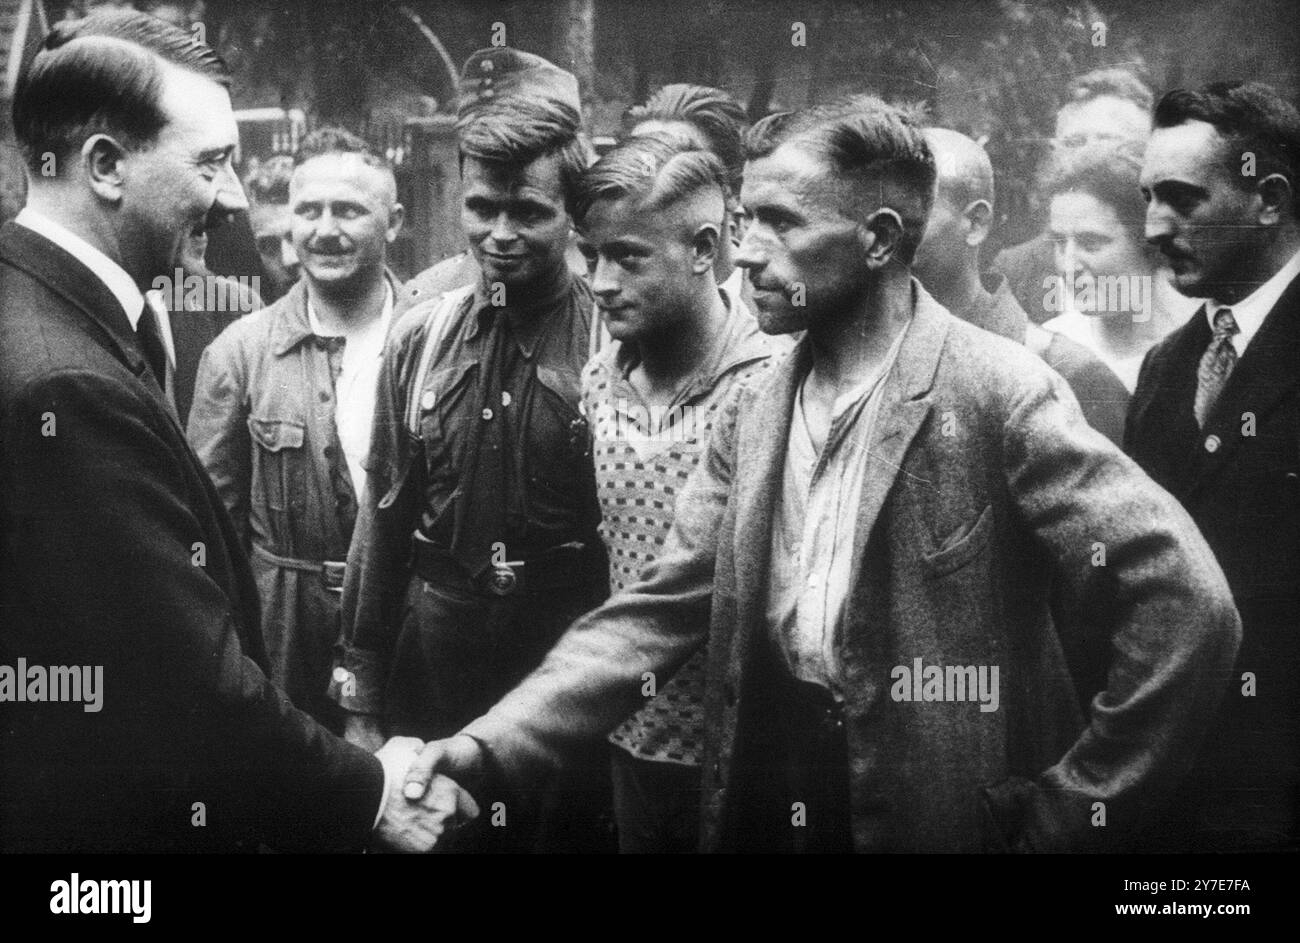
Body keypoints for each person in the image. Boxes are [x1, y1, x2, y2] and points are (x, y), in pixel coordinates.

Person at [405, 97, 1242, 853]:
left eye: (780, 224)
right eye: (745, 220)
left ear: (879, 239)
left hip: (946, 811)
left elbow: (1187, 606)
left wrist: (1077, 807)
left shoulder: (998, 391)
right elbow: (656, 612)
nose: (745, 256)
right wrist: (486, 744)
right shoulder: (759, 404)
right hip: (781, 797)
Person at [0, 10, 456, 854]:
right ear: (105, 165)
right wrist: (372, 789)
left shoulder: (43, 303)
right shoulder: (67, 378)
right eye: (210, 163)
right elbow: (181, 680)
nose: (236, 199)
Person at [332, 47, 612, 853]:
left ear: (573, 214)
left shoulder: (610, 338)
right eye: (482, 207)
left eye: (529, 213)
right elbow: (381, 522)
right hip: (438, 660)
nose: (500, 233)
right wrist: (361, 697)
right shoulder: (421, 333)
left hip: (563, 667)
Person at [574, 133, 789, 852]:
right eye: (591, 255)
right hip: (630, 732)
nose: (602, 281)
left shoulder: (774, 379)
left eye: (629, 257)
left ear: (704, 249)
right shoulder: (599, 374)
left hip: (746, 742)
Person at [1128, 81, 1300, 852]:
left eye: (1181, 199)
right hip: (1178, 780)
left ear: (1269, 198)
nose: (1153, 227)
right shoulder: (1168, 366)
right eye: (1146, 197)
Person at [188, 128, 404, 730]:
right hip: (284, 640)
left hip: (409, 631)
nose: (325, 230)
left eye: (350, 210)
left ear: (393, 222)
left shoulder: (432, 340)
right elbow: (210, 532)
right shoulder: (240, 352)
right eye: (308, 211)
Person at [914, 127, 1130, 446]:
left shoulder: (1065, 370)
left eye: (916, 212)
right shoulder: (864, 352)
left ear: (975, 223)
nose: (888, 229)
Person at [992, 67, 1154, 321]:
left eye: (1109, 143)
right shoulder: (1014, 270)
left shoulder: (1186, 261)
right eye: (1075, 143)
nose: (1088, 157)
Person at [1039, 140, 1196, 390]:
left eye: (1090, 243)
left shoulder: (1205, 347)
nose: (1069, 266)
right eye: (1059, 244)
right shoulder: (1050, 352)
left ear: (1150, 243)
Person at [624, 83, 750, 294]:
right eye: (640, 168)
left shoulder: (788, 303)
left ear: (733, 192)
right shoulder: (594, 302)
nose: (652, 187)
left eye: (683, 172)